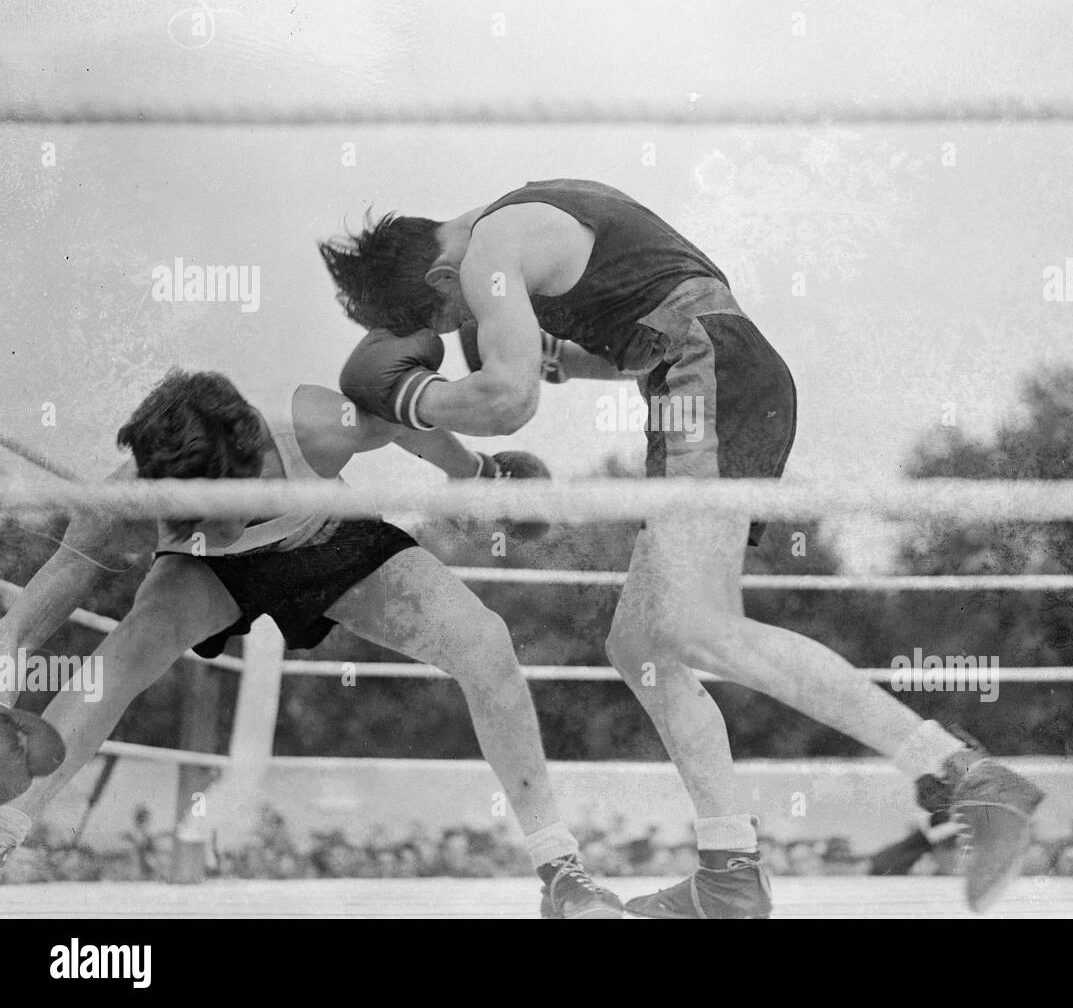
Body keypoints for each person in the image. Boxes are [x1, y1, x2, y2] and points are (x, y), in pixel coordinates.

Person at [319, 177, 1045, 916]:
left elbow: (508, 401)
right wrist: (550, 352)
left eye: (447, 316)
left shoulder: (488, 252)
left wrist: (412, 396)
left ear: (443, 278)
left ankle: (961, 771)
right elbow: (639, 338)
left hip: (708, 380)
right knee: (641, 644)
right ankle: (730, 871)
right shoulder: (533, 219)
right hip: (704, 378)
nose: (462, 321)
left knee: (700, 624)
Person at [0, 367, 621, 918]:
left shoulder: (318, 425)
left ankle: (560, 870)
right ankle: (3, 831)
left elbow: (407, 417)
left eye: (209, 507)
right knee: (119, 659)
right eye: (179, 508)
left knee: (486, 643)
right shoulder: (129, 491)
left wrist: (477, 475)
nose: (195, 520)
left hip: (334, 543)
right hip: (209, 573)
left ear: (249, 458)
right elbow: (50, 590)